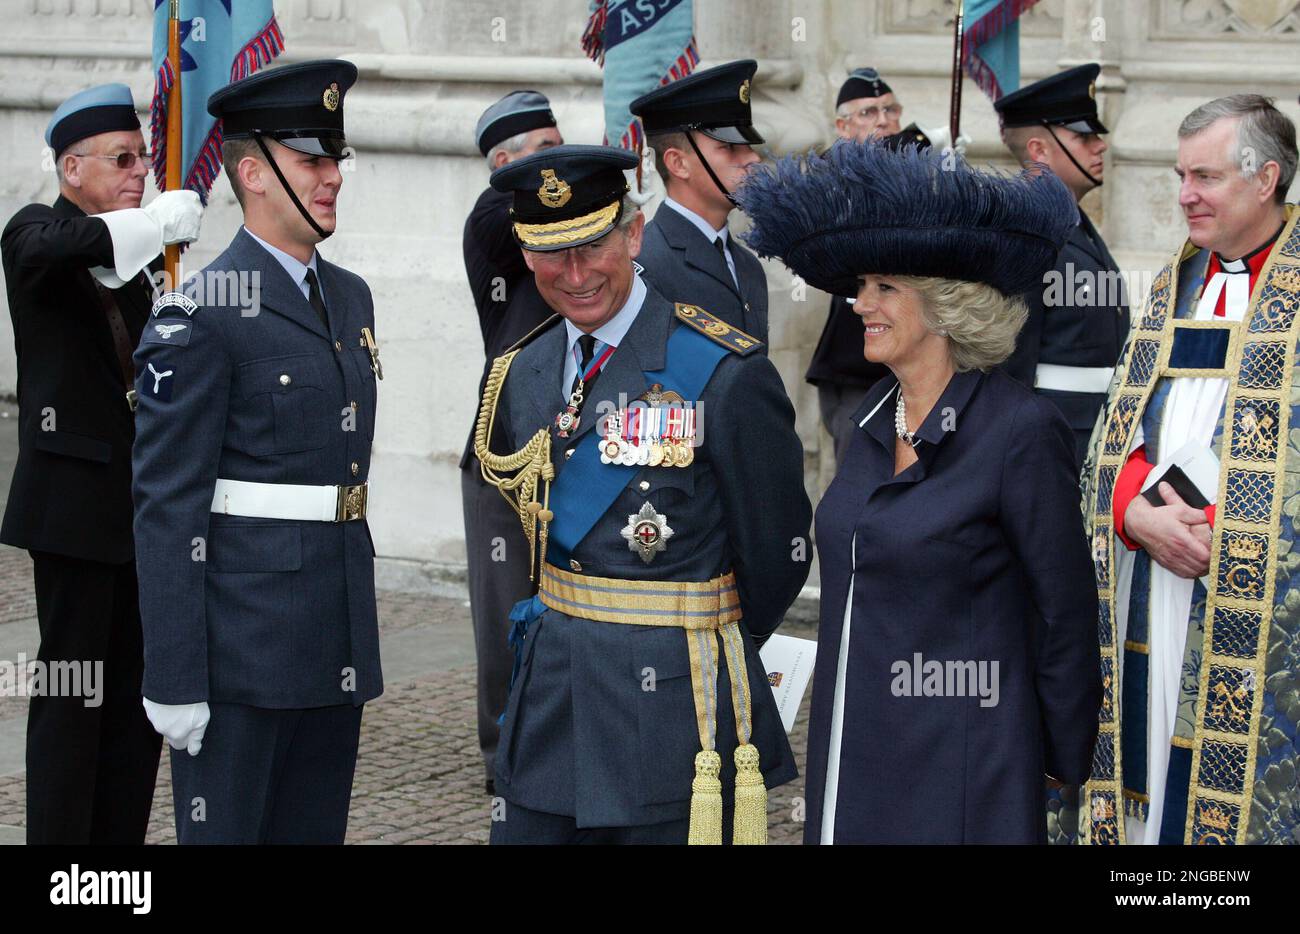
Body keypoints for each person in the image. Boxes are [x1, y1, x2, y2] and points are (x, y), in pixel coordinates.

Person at [737, 141, 1102, 844]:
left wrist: (1056, 755)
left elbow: (1063, 609)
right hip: (856, 749)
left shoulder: (1018, 430)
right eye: (862, 287)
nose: (860, 305)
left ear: (945, 307)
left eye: (885, 289)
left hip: (969, 761)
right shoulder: (871, 416)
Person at [475, 144, 811, 844]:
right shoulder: (520, 371)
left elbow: (777, 550)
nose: (574, 276)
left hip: (672, 710)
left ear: (634, 232)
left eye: (594, 246)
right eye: (550, 254)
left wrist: (702, 635)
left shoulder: (722, 372)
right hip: (552, 698)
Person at [132, 60, 382, 844]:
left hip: (332, 636)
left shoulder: (350, 298)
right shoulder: (200, 313)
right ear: (254, 172)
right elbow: (167, 504)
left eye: (335, 158)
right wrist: (174, 678)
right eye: (312, 159)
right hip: (241, 656)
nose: (332, 176)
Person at [1079, 94, 1299, 845]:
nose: (1183, 196)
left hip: (1260, 611)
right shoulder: (1176, 282)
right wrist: (1133, 509)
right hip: (1150, 583)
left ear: (1265, 178)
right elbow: (1117, 426)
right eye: (1180, 175)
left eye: (1203, 176)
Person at [1, 83, 203, 844]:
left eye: (144, 159)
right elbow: (58, 250)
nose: (139, 172)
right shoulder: (36, 231)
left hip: (143, 509)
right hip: (73, 511)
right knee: (70, 695)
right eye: (122, 159)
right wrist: (149, 223)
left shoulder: (149, 265)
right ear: (71, 167)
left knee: (132, 702)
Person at [461, 90, 564, 794]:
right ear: (506, 163)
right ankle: (506, 756)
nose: (564, 163)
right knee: (507, 610)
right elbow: (523, 217)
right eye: (548, 152)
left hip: (570, 436)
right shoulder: (494, 215)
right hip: (506, 451)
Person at [995, 63, 1130, 471]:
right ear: (1039, 150)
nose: (1100, 146)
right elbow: (1008, 365)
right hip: (1047, 452)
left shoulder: (1072, 222)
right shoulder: (1026, 233)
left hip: (1090, 445)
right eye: (1084, 137)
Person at [809, 68, 926, 467]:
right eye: (868, 113)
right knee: (857, 479)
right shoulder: (832, 175)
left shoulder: (919, 168)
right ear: (842, 127)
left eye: (890, 109)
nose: (883, 120)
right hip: (855, 364)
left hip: (914, 356)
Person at [630, 60, 770, 344]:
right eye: (729, 148)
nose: (753, 159)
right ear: (679, 164)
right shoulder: (645, 263)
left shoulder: (747, 265)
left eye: (749, 147)